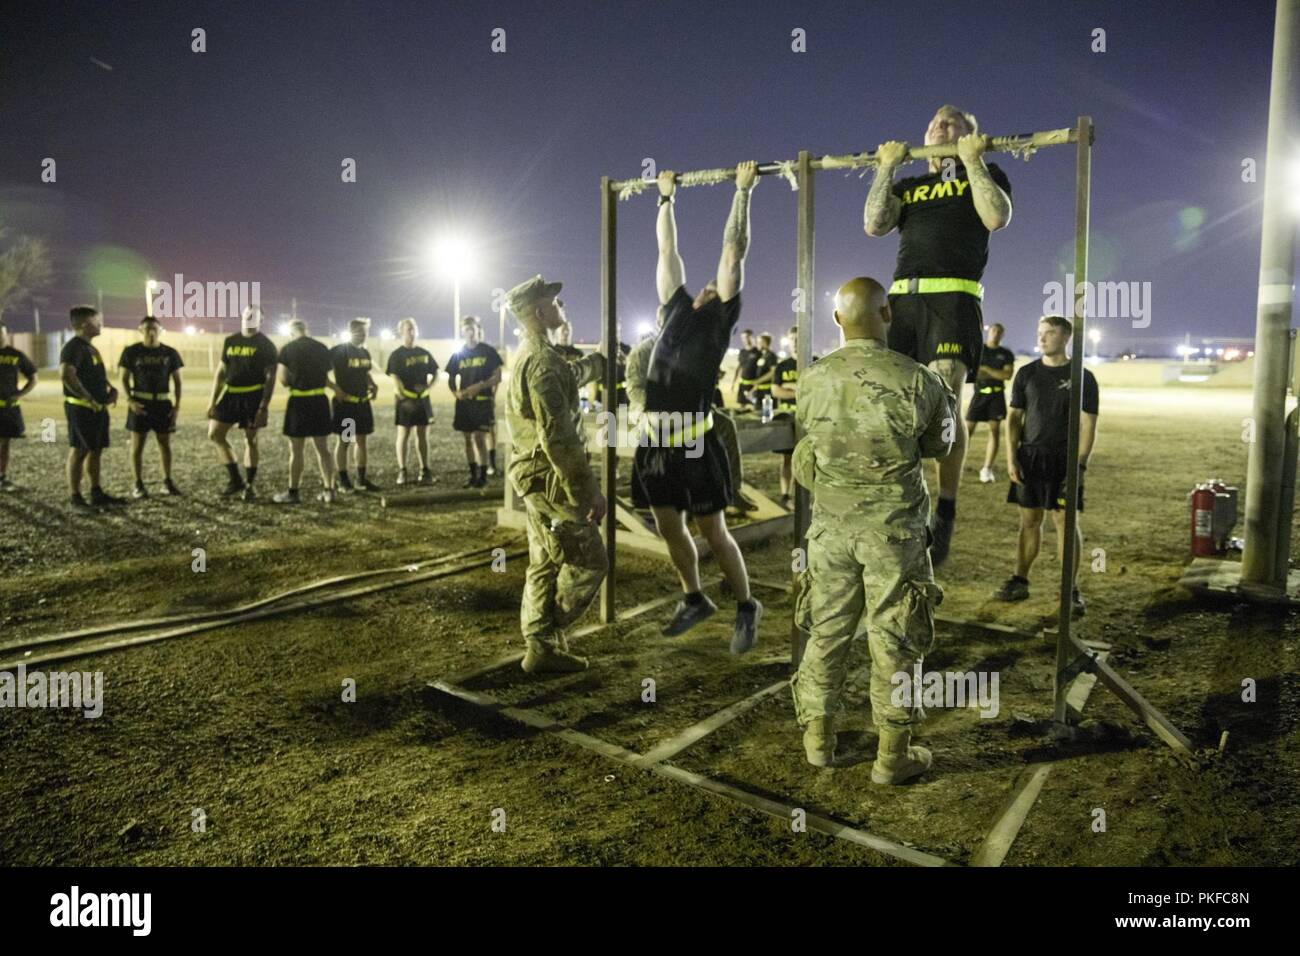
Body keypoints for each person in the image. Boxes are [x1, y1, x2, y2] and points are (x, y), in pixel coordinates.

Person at [790, 277, 954, 783]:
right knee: (897, 639)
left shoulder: (811, 379)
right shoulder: (918, 379)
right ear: (888, 315)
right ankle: (892, 755)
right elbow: (939, 448)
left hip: (830, 533)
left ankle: (819, 740)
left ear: (838, 319)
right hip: (894, 535)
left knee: (826, 633)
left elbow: (809, 451)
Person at [864, 104, 1013, 568]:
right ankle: (906, 496)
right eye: (932, 124)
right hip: (903, 301)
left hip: (953, 298)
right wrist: (886, 166)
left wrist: (972, 159)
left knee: (945, 392)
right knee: (893, 400)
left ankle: (946, 504)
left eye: (950, 125)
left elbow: (996, 217)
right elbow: (874, 223)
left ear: (972, 134)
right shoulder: (910, 186)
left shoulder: (982, 176)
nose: (938, 129)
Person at [633, 163, 763, 654]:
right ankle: (694, 597)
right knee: (668, 526)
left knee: (714, 530)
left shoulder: (719, 322)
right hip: (654, 443)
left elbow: (733, 252)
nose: (708, 285)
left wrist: (742, 192)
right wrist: (666, 199)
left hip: (693, 439)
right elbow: (667, 250)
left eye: (715, 286)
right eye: (704, 285)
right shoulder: (672, 309)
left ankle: (747, 605)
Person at [505, 274, 608, 673]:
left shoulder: (534, 354)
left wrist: (598, 362)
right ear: (539, 311)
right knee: (590, 561)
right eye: (555, 302)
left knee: (545, 561)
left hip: (533, 475)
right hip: (551, 478)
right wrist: (587, 494)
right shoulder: (542, 362)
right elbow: (558, 439)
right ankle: (547, 632)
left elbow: (568, 378)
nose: (561, 307)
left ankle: (540, 647)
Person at [994, 315, 1098, 615]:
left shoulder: (1083, 377)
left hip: (1064, 460)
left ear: (1065, 338)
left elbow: (1089, 424)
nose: (1043, 338)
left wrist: (1079, 466)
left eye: (1050, 333)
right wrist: (1011, 457)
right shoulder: (1026, 374)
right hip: (1031, 458)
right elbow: (1013, 419)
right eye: (1040, 332)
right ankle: (1019, 580)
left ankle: (1071, 590)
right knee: (1029, 522)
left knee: (1065, 523)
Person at [207, 305, 278, 500]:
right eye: (247, 314)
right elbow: (221, 372)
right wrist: (213, 400)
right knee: (215, 434)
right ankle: (235, 479)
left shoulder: (266, 345)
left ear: (260, 320)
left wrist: (264, 406)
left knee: (251, 439)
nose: (249, 318)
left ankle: (249, 484)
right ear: (242, 316)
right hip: (230, 395)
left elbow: (271, 377)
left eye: (254, 316)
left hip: (252, 396)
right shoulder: (231, 340)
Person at [60, 305, 126, 512]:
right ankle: (75, 497)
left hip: (97, 408)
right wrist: (87, 398)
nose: (100, 324)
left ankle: (96, 493)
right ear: (84, 324)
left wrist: (110, 389)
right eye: (97, 321)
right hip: (81, 408)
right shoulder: (73, 347)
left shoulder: (91, 347)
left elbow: (96, 376)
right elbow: (67, 374)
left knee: (96, 450)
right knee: (79, 450)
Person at [273, 319, 339, 504]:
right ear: (306, 329)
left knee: (296, 450)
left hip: (298, 403)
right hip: (319, 401)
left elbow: (284, 380)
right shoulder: (321, 347)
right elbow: (325, 377)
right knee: (323, 449)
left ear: (291, 332)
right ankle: (330, 490)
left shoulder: (287, 349)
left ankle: (293, 492)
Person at [119, 315, 184, 498]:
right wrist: (130, 401)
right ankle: (138, 484)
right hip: (140, 403)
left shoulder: (170, 353)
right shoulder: (131, 352)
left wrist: (177, 406)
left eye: (155, 329)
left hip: (163, 404)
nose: (151, 332)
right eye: (147, 329)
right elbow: (123, 378)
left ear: (160, 331)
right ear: (141, 331)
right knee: (137, 446)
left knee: (164, 444)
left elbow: (178, 381)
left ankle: (167, 481)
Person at [446, 315, 504, 488]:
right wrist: (456, 392)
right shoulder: (459, 354)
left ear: (478, 330)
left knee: (479, 437)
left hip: (482, 401)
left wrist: (480, 386)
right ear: (462, 332)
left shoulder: (488, 351)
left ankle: (483, 475)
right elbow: (450, 377)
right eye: (466, 330)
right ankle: (472, 475)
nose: (469, 333)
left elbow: (498, 376)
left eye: (472, 329)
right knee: (467, 439)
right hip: (465, 404)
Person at [330, 317, 381, 492]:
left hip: (362, 404)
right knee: (345, 441)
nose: (363, 335)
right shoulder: (340, 351)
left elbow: (364, 373)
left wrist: (373, 385)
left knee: (361, 440)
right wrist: (335, 388)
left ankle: (361, 479)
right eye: (360, 332)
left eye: (366, 332)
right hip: (347, 405)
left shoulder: (364, 352)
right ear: (351, 331)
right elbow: (319, 371)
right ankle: (343, 479)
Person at [386, 317, 438, 485]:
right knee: (404, 434)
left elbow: (436, 372)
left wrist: (428, 388)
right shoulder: (397, 355)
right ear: (402, 332)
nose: (412, 332)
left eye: (414, 328)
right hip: (406, 400)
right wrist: (402, 395)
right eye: (409, 329)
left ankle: (425, 470)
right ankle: (402, 470)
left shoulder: (424, 353)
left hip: (422, 400)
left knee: (422, 435)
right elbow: (395, 378)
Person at [966, 322, 1015, 482]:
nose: (996, 333)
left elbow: (1007, 375)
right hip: (979, 395)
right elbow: (974, 373)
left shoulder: (1006, 354)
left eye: (999, 331)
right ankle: (957, 462)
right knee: (967, 430)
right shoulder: (979, 349)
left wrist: (986, 370)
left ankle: (987, 469)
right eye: (994, 330)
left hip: (996, 396)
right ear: (989, 331)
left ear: (1002, 334)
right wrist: (995, 373)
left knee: (994, 432)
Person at [0, 322, 38, 492]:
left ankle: (1, 477)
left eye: (1, 333)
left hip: (8, 409)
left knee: (4, 443)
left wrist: (20, 394)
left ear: (5, 334)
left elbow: (33, 377)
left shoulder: (15, 355)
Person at [770, 326, 800, 507]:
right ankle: (785, 496)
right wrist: (799, 391)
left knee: (807, 459)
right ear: (788, 341)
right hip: (787, 419)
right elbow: (776, 391)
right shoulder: (782, 366)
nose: (795, 343)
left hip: (809, 419)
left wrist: (790, 388)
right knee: (787, 459)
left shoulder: (814, 362)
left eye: (798, 339)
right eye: (792, 339)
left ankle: (806, 498)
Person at [750, 332, 779, 410]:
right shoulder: (763, 355)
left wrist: (758, 381)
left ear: (764, 343)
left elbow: (773, 372)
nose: (757, 344)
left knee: (767, 415)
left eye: (759, 342)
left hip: (767, 393)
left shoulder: (771, 356)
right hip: (759, 392)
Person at [732, 328, 760, 408]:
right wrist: (733, 382)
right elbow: (739, 367)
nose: (745, 339)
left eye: (747, 337)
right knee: (741, 406)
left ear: (752, 337)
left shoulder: (758, 351)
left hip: (754, 385)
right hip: (743, 384)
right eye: (743, 338)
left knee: (755, 407)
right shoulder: (742, 352)